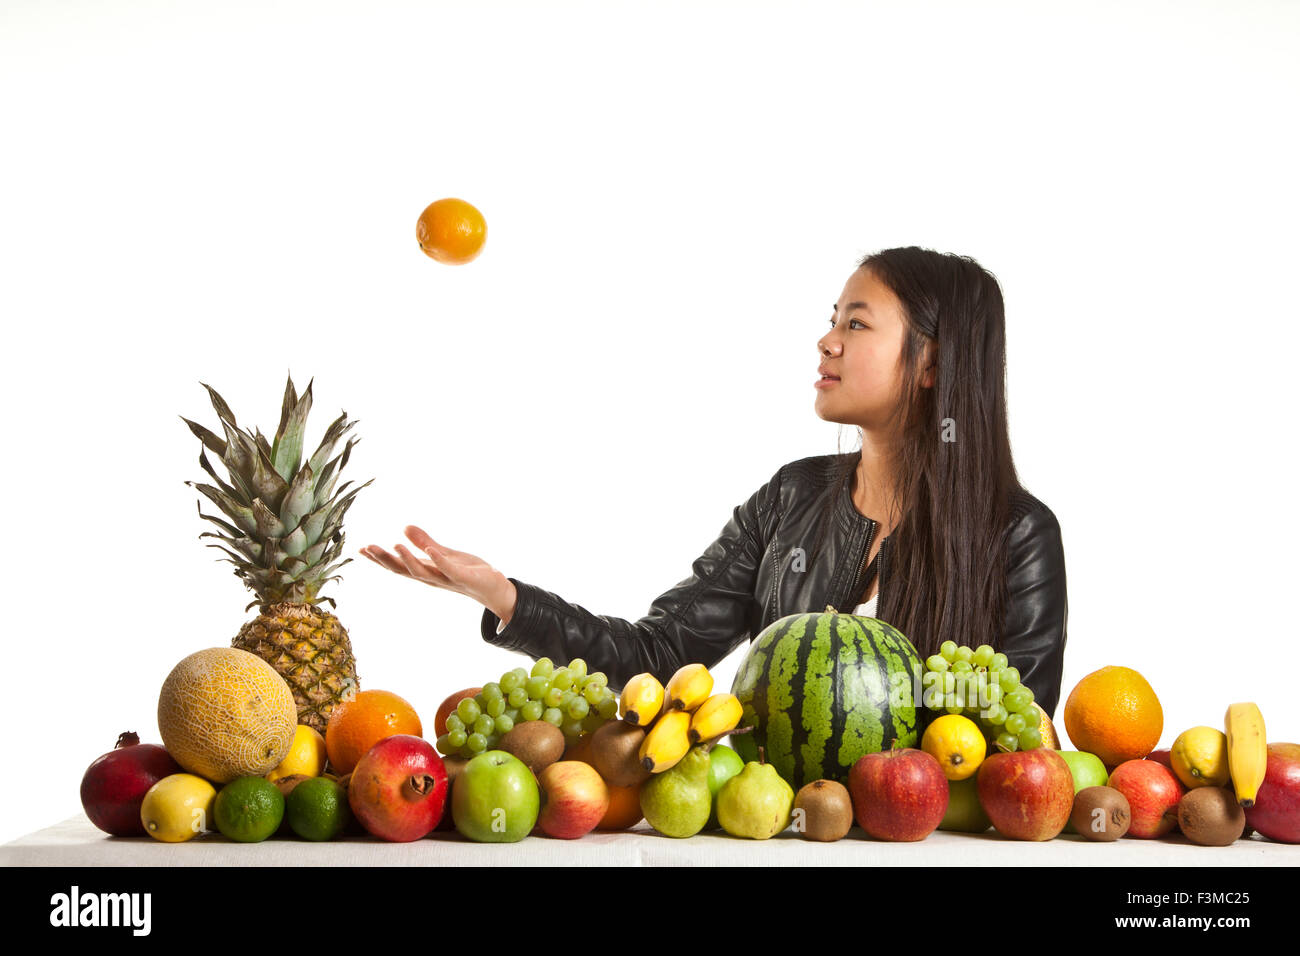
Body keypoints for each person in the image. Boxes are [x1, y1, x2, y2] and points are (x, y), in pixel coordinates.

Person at [361, 246, 1069, 716]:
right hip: (763, 831)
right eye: (831, 322)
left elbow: (1016, 726)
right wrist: (507, 598)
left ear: (933, 366)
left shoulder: (1017, 535)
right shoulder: (790, 499)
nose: (827, 341)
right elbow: (661, 654)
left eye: (856, 324)